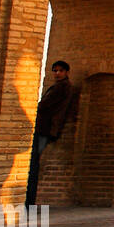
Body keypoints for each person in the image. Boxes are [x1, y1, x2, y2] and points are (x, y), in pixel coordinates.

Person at [27, 60, 75, 206]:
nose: (57, 73)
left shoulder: (62, 87)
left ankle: (28, 200)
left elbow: (44, 106)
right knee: (33, 163)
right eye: (55, 70)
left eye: (60, 70)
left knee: (33, 164)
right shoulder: (60, 87)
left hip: (45, 129)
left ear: (66, 72)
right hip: (46, 128)